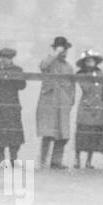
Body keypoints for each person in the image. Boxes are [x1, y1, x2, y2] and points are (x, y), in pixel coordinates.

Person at [37, 35, 76, 169]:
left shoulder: (69, 67)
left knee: (63, 134)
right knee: (48, 133)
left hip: (63, 103)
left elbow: (72, 86)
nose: (64, 52)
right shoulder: (49, 62)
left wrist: (71, 101)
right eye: (61, 49)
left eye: (65, 49)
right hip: (49, 103)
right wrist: (55, 53)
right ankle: (42, 161)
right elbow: (42, 65)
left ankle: (56, 161)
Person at [0, 46, 26, 162]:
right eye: (3, 57)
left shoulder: (17, 70)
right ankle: (1, 158)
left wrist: (11, 78)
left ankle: (13, 157)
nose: (5, 60)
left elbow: (22, 86)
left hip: (12, 105)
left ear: (12, 58)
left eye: (8, 58)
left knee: (14, 134)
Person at [73, 50, 103, 169]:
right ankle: (77, 159)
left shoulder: (100, 73)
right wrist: (93, 78)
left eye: (92, 60)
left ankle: (88, 161)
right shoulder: (81, 74)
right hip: (86, 107)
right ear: (84, 63)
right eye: (87, 61)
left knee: (93, 135)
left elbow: (102, 88)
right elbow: (86, 88)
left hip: (98, 107)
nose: (90, 63)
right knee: (81, 134)